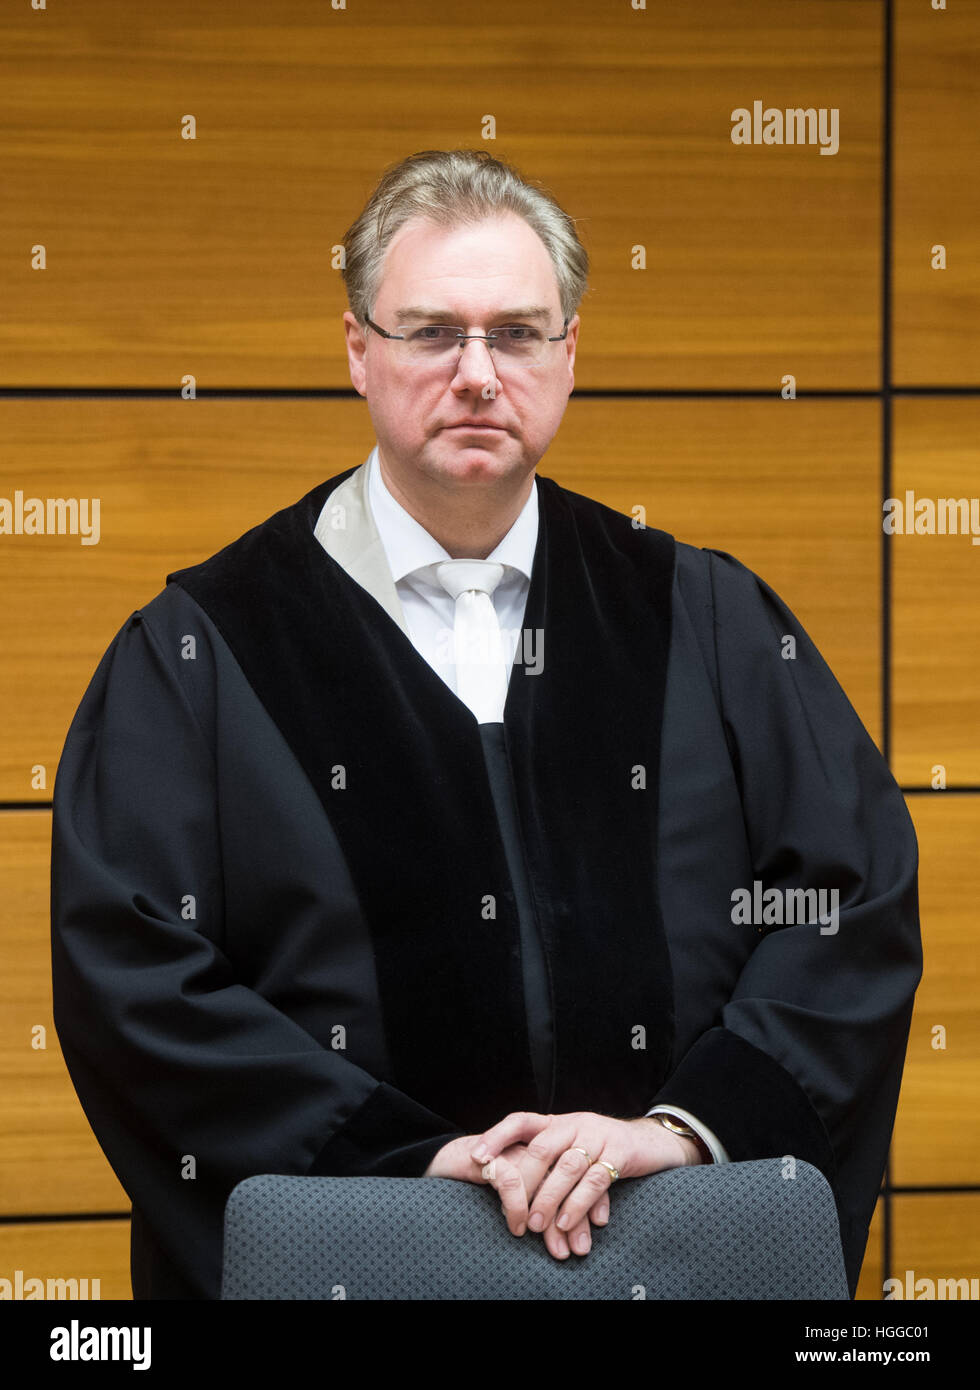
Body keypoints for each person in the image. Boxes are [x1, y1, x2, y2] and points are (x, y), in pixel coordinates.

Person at [50, 148, 922, 1301]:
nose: (476, 373)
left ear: (568, 356)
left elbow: (846, 900)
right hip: (357, 1265)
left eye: (516, 333)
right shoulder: (200, 651)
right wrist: (405, 1161)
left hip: (665, 1255)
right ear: (357, 350)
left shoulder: (699, 616)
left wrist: (681, 1127)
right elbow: (134, 974)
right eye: (430, 333)